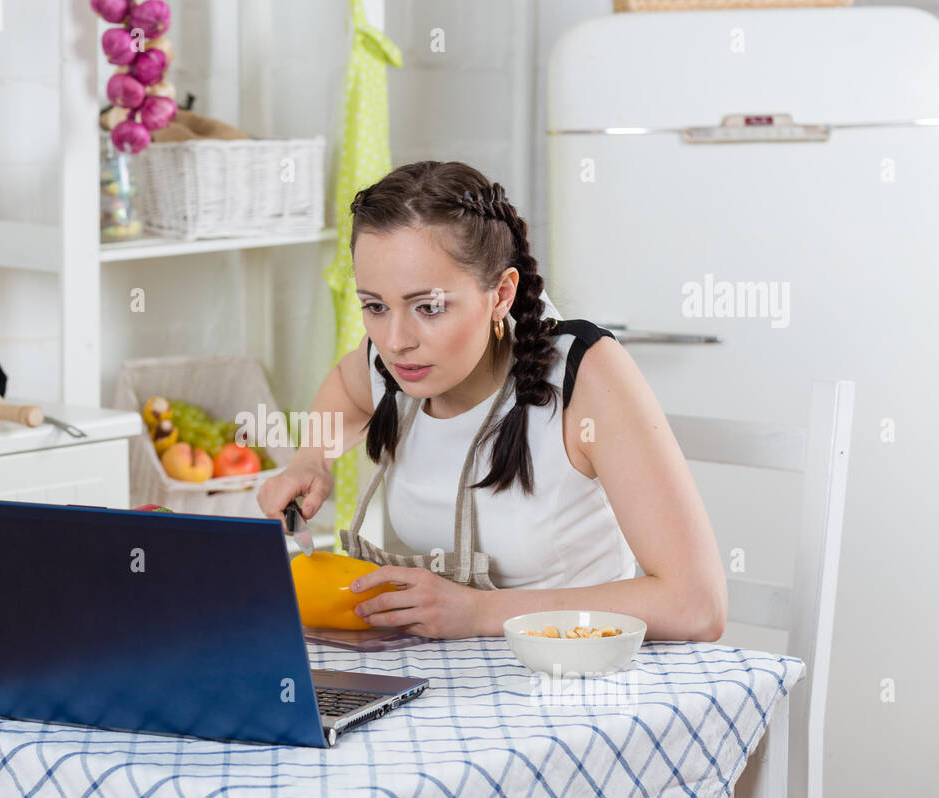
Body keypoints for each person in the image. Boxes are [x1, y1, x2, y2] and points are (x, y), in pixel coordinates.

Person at [258, 161, 727, 642]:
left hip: (579, 686)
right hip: (451, 685)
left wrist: (478, 613)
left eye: (429, 307)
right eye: (375, 306)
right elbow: (346, 386)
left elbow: (695, 604)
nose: (395, 340)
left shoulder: (584, 373)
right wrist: (311, 459)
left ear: (502, 294)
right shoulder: (393, 363)